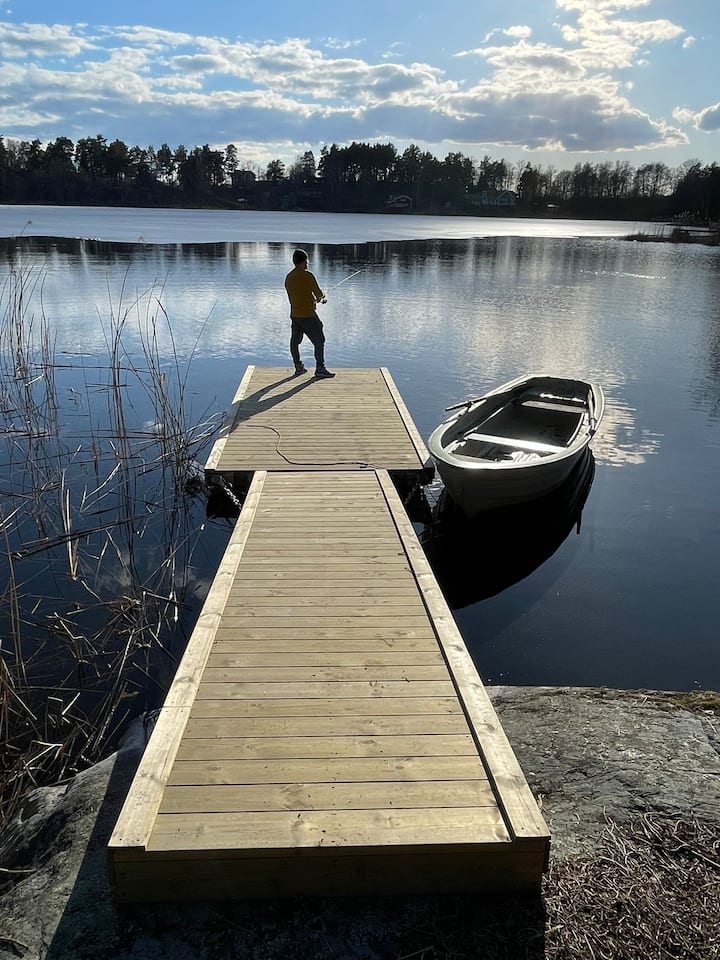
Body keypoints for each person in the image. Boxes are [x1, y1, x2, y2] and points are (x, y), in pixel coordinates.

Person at [284, 249, 335, 378]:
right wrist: (321, 298)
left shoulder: (289, 277)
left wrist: (311, 300)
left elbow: (297, 295)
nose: (307, 264)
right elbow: (318, 294)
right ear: (302, 262)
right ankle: (320, 368)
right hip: (308, 316)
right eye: (306, 262)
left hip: (295, 316)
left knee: (295, 342)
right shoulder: (308, 276)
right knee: (320, 339)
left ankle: (298, 367)